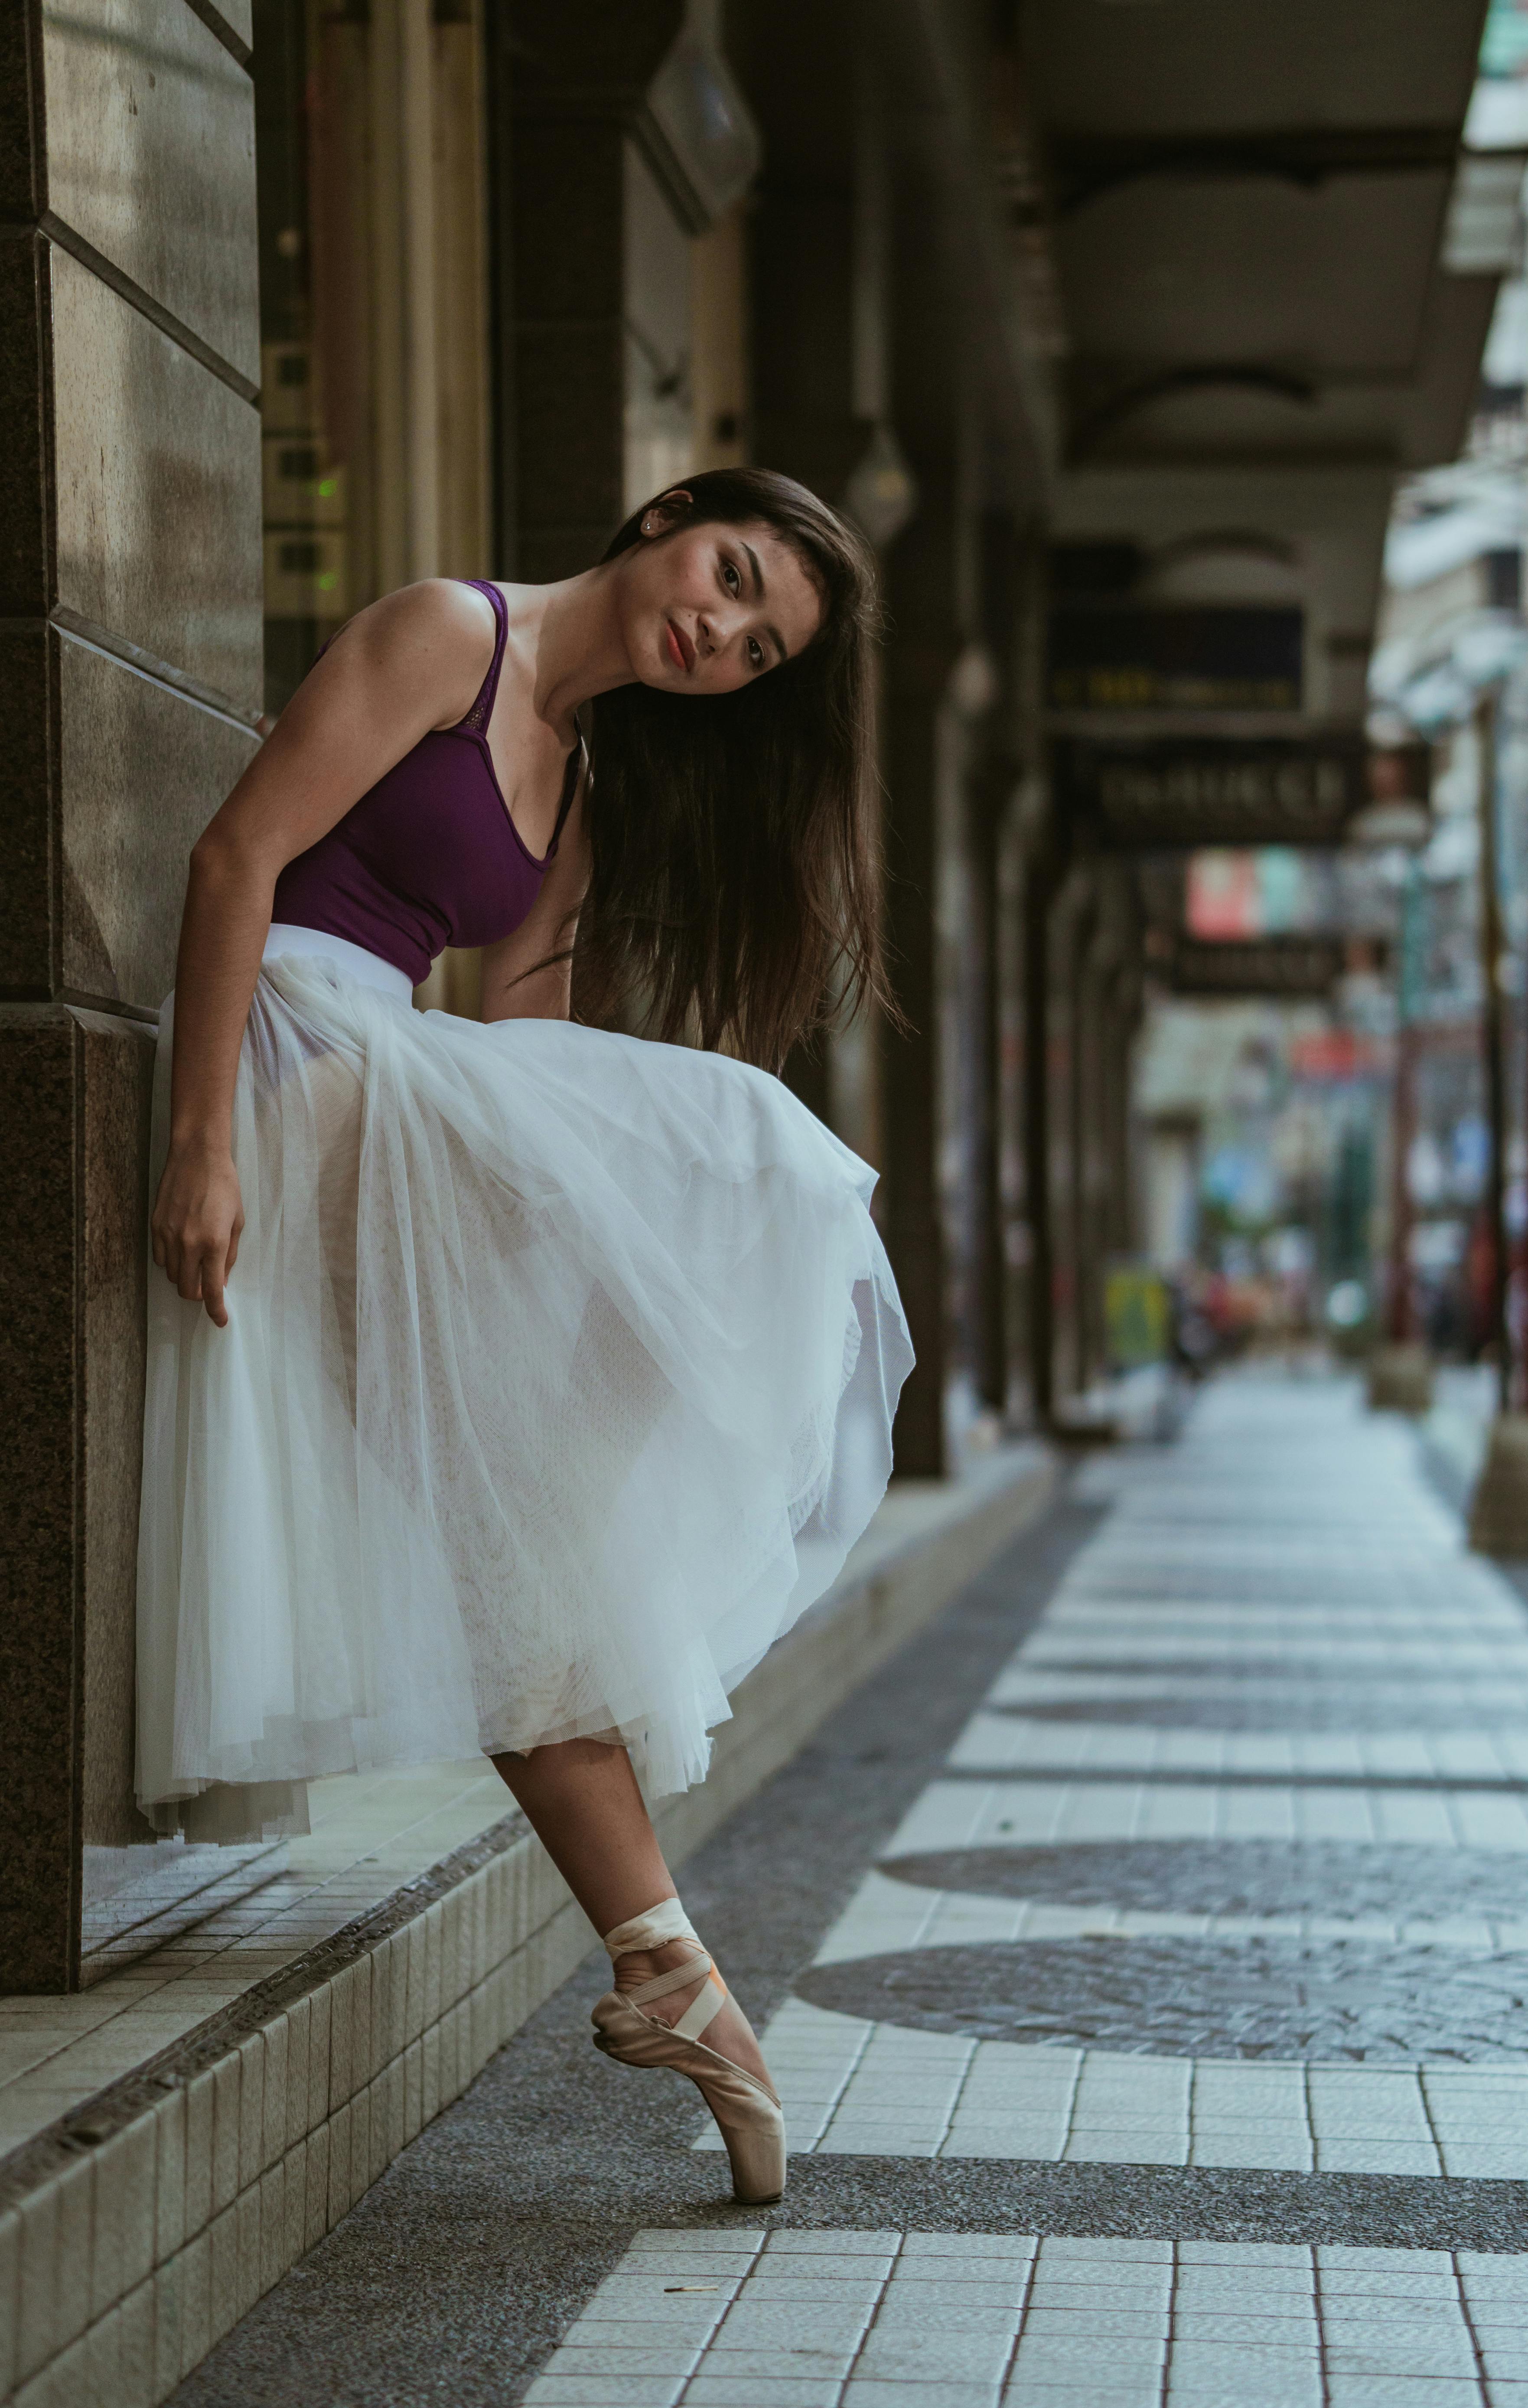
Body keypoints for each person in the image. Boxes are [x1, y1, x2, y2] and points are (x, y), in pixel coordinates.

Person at [135, 469, 913, 2205]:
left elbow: (537, 1076)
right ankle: (664, 1967)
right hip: (280, 1057)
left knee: (527, 1548)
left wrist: (591, 1327)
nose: (715, 636)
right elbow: (235, 854)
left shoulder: (577, 800)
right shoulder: (446, 631)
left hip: (382, 1106)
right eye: (727, 581)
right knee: (756, 1172)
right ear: (666, 517)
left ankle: (667, 1971)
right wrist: (197, 1143)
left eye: (754, 648)